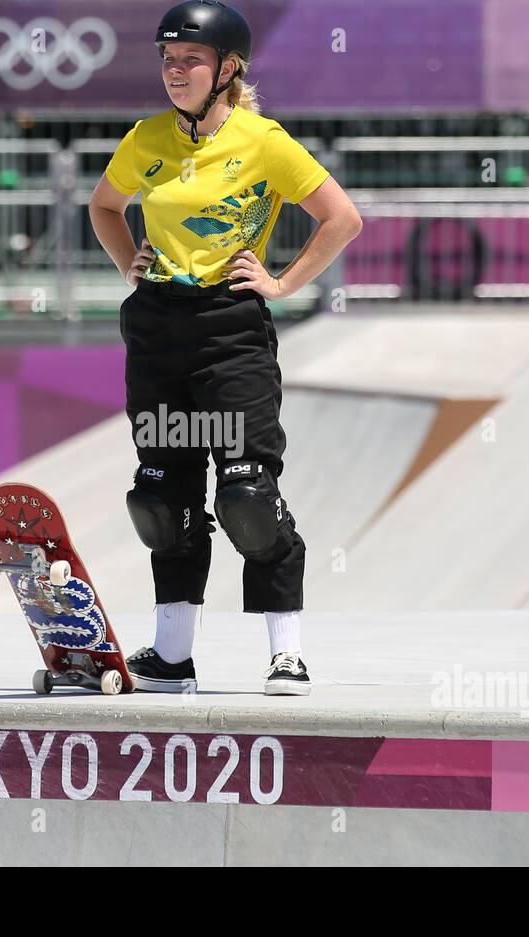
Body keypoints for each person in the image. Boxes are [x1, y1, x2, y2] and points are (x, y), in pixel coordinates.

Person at [87, 0, 361, 695]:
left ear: (227, 68)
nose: (174, 72)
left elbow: (342, 217)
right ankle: (172, 657)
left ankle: (286, 654)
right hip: (155, 329)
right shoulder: (147, 137)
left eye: (190, 61)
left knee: (246, 495)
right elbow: (104, 206)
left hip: (230, 333)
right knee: (162, 497)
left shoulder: (263, 140)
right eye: (167, 60)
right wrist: (130, 265)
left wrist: (282, 282)